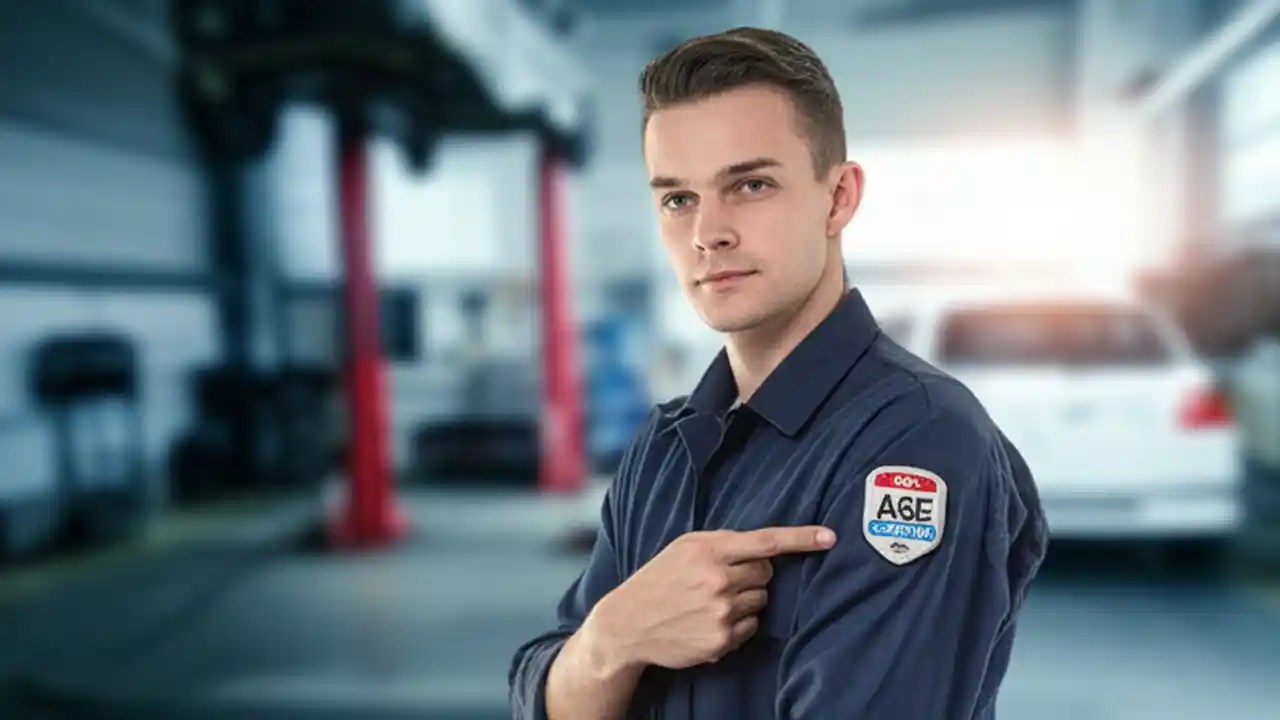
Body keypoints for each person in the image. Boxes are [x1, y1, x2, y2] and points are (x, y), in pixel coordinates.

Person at [510, 26, 1048, 720]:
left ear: (838, 197)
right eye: (678, 199)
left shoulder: (917, 442)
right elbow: (545, 692)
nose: (708, 233)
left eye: (750, 185)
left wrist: (600, 671)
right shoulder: (663, 449)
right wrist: (612, 639)